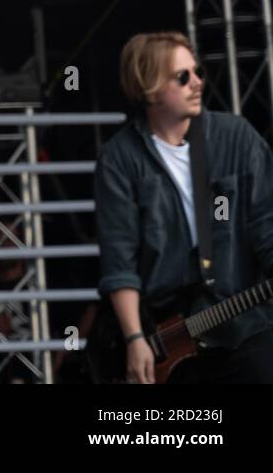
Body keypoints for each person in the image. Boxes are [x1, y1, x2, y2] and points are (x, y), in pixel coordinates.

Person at [94, 31, 273, 383]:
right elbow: (119, 260)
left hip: (245, 323)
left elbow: (267, 224)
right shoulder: (119, 159)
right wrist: (134, 339)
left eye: (198, 72)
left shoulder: (236, 137)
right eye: (182, 77)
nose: (197, 83)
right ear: (149, 86)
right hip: (165, 331)